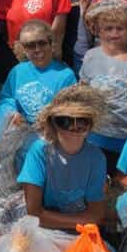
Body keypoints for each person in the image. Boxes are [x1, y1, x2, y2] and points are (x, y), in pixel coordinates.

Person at [17, 84, 109, 231]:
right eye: (65, 121)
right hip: (46, 228)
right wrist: (84, 221)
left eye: (82, 122)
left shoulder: (96, 157)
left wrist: (51, 219)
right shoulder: (39, 151)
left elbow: (96, 214)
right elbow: (34, 212)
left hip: (75, 228)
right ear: (53, 123)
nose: (74, 128)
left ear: (90, 125)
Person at [80, 0, 127, 161]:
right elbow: (84, 91)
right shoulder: (90, 56)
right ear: (98, 30)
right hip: (96, 136)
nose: (114, 34)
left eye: (120, 28)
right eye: (108, 28)